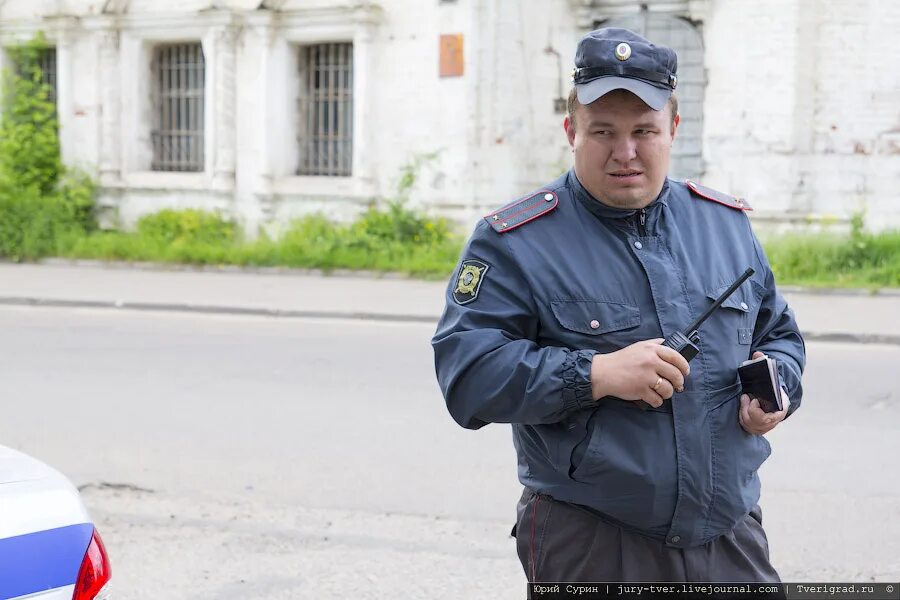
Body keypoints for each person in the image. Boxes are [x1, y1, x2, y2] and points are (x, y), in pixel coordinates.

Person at [431, 28, 806, 586]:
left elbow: (778, 336)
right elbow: (467, 377)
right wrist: (596, 375)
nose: (625, 153)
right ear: (571, 131)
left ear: (673, 129)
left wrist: (777, 389)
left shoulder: (726, 227)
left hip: (729, 535)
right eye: (603, 131)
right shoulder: (513, 241)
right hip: (592, 542)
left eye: (644, 131)